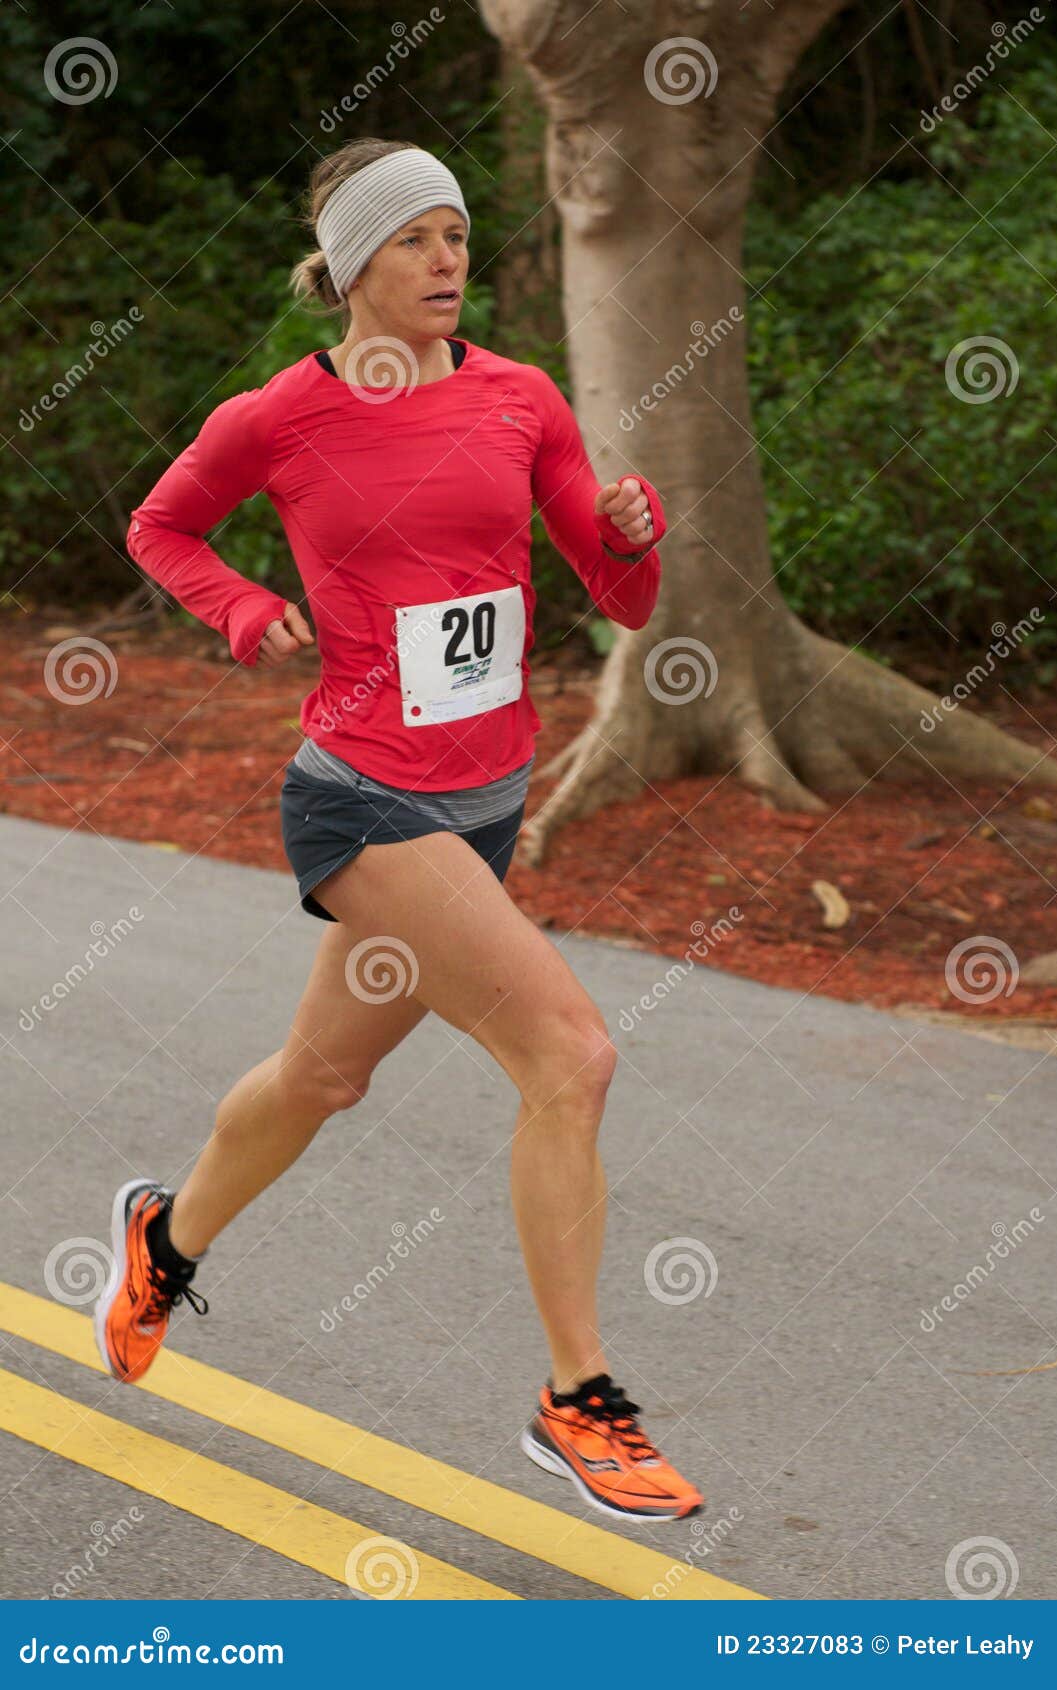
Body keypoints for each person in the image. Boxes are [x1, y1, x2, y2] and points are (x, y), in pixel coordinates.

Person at [93, 139, 703, 1524]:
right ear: (353, 265)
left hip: (486, 806)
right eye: (417, 239)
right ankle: (578, 1400)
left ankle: (162, 1240)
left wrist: (631, 529)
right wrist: (244, 611)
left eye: (459, 238)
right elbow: (161, 525)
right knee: (573, 1054)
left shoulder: (520, 397)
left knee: (322, 1075)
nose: (448, 262)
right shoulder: (279, 418)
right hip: (362, 799)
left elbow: (619, 598)